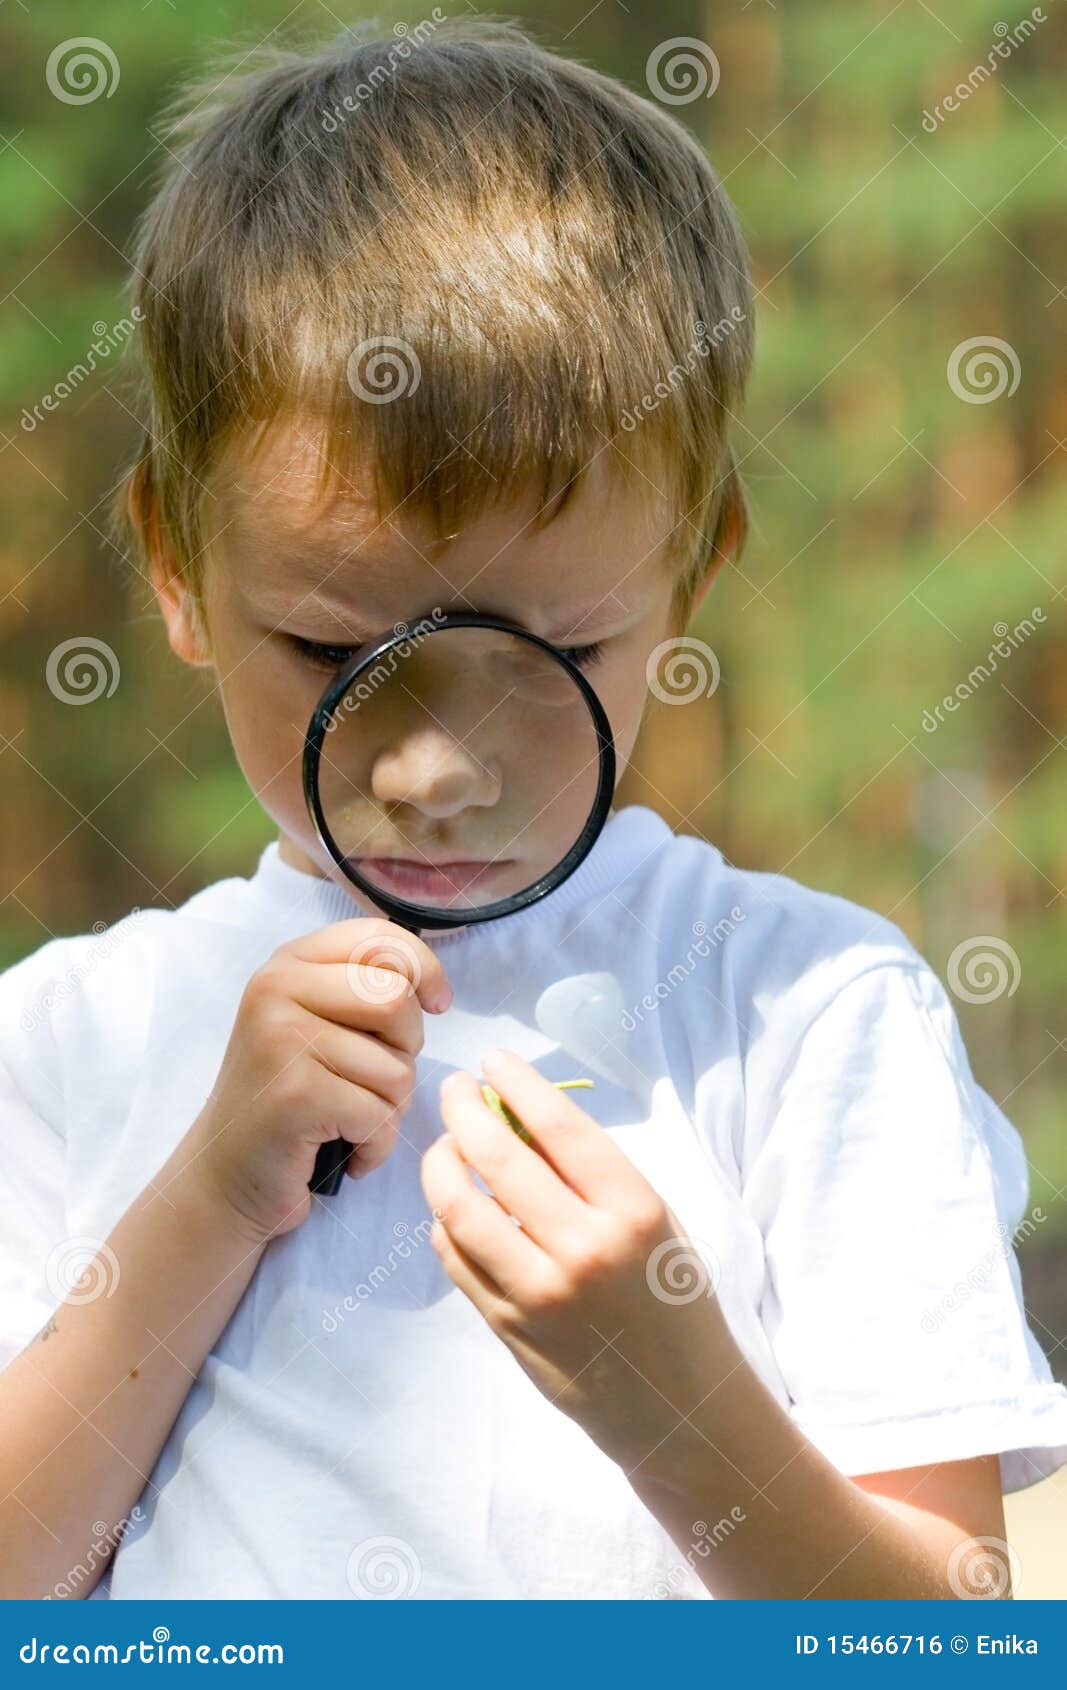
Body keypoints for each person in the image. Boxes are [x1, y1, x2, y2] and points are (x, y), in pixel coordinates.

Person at [2, 16, 1064, 1601]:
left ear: (691, 573)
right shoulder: (69, 1039)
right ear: (173, 561)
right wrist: (210, 1194)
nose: (437, 769)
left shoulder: (808, 1018)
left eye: (551, 654)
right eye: (334, 652)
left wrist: (677, 1408)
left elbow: (946, 1644)